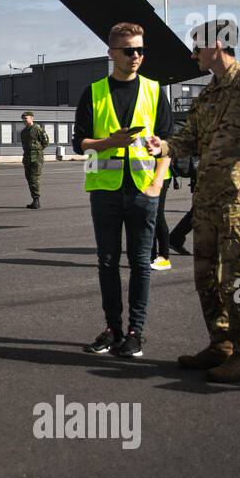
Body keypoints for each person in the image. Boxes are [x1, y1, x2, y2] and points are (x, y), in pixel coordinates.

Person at [147, 20, 240, 383]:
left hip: (238, 198)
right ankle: (220, 342)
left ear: (219, 47)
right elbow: (188, 138)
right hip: (206, 196)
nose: (193, 55)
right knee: (205, 273)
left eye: (198, 48)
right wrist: (164, 146)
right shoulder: (209, 94)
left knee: (238, 274)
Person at [74, 22, 172, 358]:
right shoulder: (94, 91)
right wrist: (108, 143)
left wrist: (158, 182)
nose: (136, 56)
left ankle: (135, 333)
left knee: (141, 263)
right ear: (112, 53)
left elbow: (169, 146)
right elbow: (80, 144)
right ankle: (113, 329)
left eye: (141, 50)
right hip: (104, 191)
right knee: (107, 262)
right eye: (129, 50)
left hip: (144, 191)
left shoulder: (156, 91)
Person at [167, 154, 197, 254]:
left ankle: (175, 238)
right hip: (207, 172)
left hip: (206, 170)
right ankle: (175, 238)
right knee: (202, 210)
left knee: (200, 210)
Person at [20, 111, 49, 209]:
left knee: (34, 178)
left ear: (32, 118)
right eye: (23, 118)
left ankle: (36, 200)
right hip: (27, 157)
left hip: (36, 157)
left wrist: (37, 150)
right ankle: (34, 200)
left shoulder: (38, 129)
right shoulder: (23, 132)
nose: (24, 120)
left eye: (26, 118)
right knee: (29, 178)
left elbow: (45, 142)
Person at [151, 183, 172, 270]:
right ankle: (151, 257)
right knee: (151, 217)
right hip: (148, 178)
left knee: (158, 216)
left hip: (160, 178)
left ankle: (164, 257)